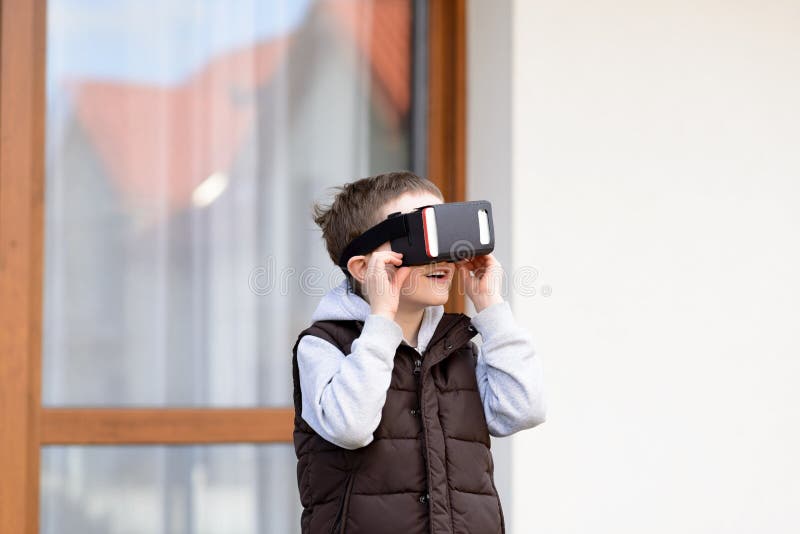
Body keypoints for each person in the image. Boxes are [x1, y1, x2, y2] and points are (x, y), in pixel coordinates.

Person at [292, 171, 546, 534]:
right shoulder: (324, 346)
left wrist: (490, 307)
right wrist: (381, 319)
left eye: (444, 234)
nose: (439, 255)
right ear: (363, 268)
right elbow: (351, 426)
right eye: (418, 236)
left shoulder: (457, 349)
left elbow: (524, 409)